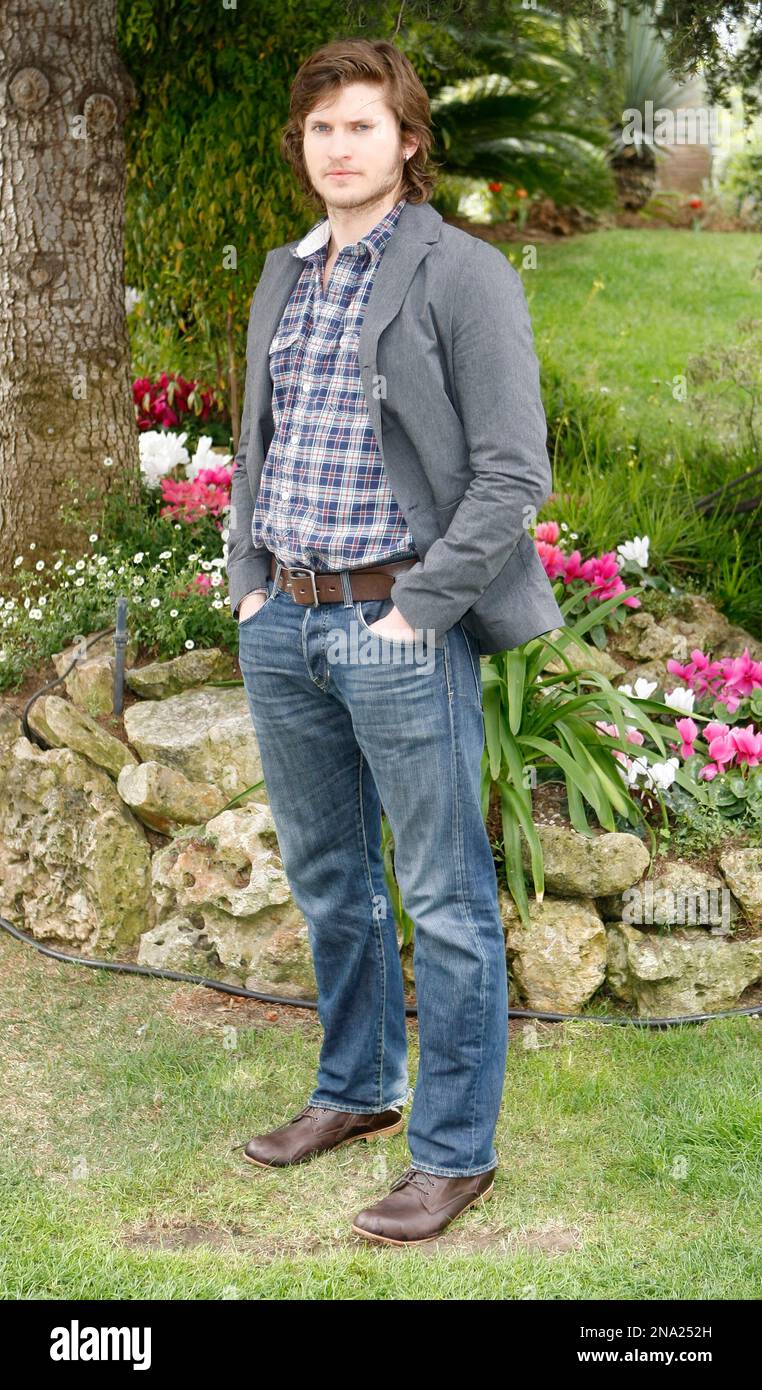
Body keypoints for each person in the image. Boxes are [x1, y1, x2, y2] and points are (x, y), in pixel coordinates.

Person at [226, 36, 564, 1247]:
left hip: (397, 623)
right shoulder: (284, 271)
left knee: (444, 895)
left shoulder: (462, 274)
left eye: (362, 126)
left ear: (408, 142)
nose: (339, 147)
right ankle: (357, 1089)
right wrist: (249, 584)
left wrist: (417, 610)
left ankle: (454, 1153)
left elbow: (512, 469)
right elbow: (258, 444)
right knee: (332, 884)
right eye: (321, 129)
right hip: (287, 623)